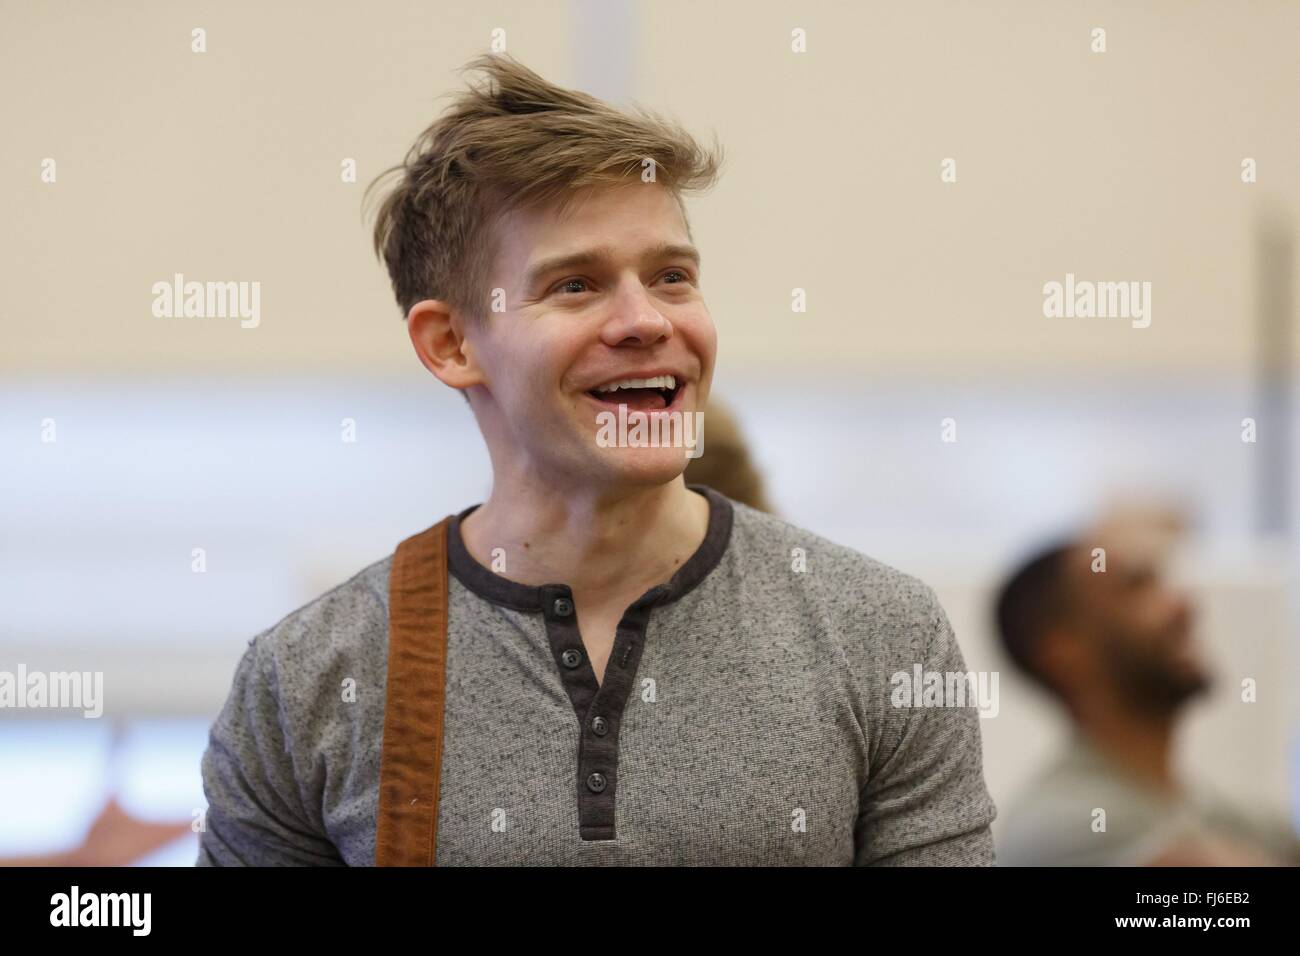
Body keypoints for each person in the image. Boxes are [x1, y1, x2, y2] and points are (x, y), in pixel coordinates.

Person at [197, 53, 996, 866]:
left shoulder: (881, 635)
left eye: (672, 276)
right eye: (576, 286)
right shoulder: (307, 679)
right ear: (451, 344)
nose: (646, 320)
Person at [993, 522, 1300, 866]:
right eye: (1135, 586)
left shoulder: (1240, 822)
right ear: (1063, 650)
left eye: (1161, 581)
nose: (1182, 605)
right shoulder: (1053, 831)